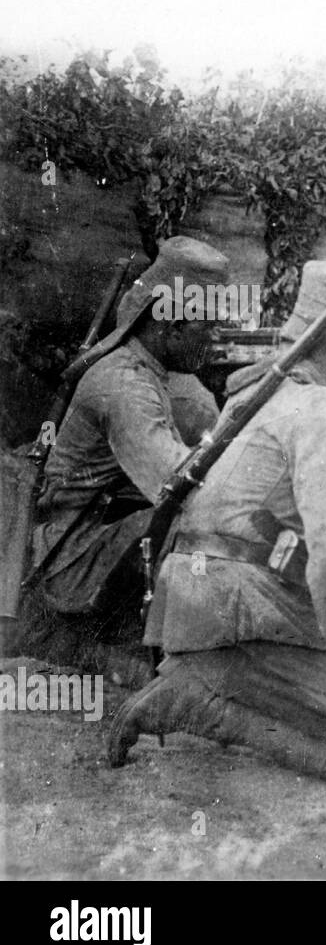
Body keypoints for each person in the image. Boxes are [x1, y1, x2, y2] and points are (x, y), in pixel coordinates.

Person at [107, 261, 326, 788]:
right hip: (240, 613)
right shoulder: (322, 406)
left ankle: (206, 682)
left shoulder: (252, 398)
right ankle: (203, 704)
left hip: (199, 600)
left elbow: (270, 512)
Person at [24, 236, 229, 673]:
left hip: (90, 533)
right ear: (171, 328)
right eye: (207, 328)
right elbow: (175, 484)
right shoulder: (125, 387)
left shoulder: (150, 372)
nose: (215, 339)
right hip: (71, 555)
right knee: (189, 524)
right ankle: (160, 658)